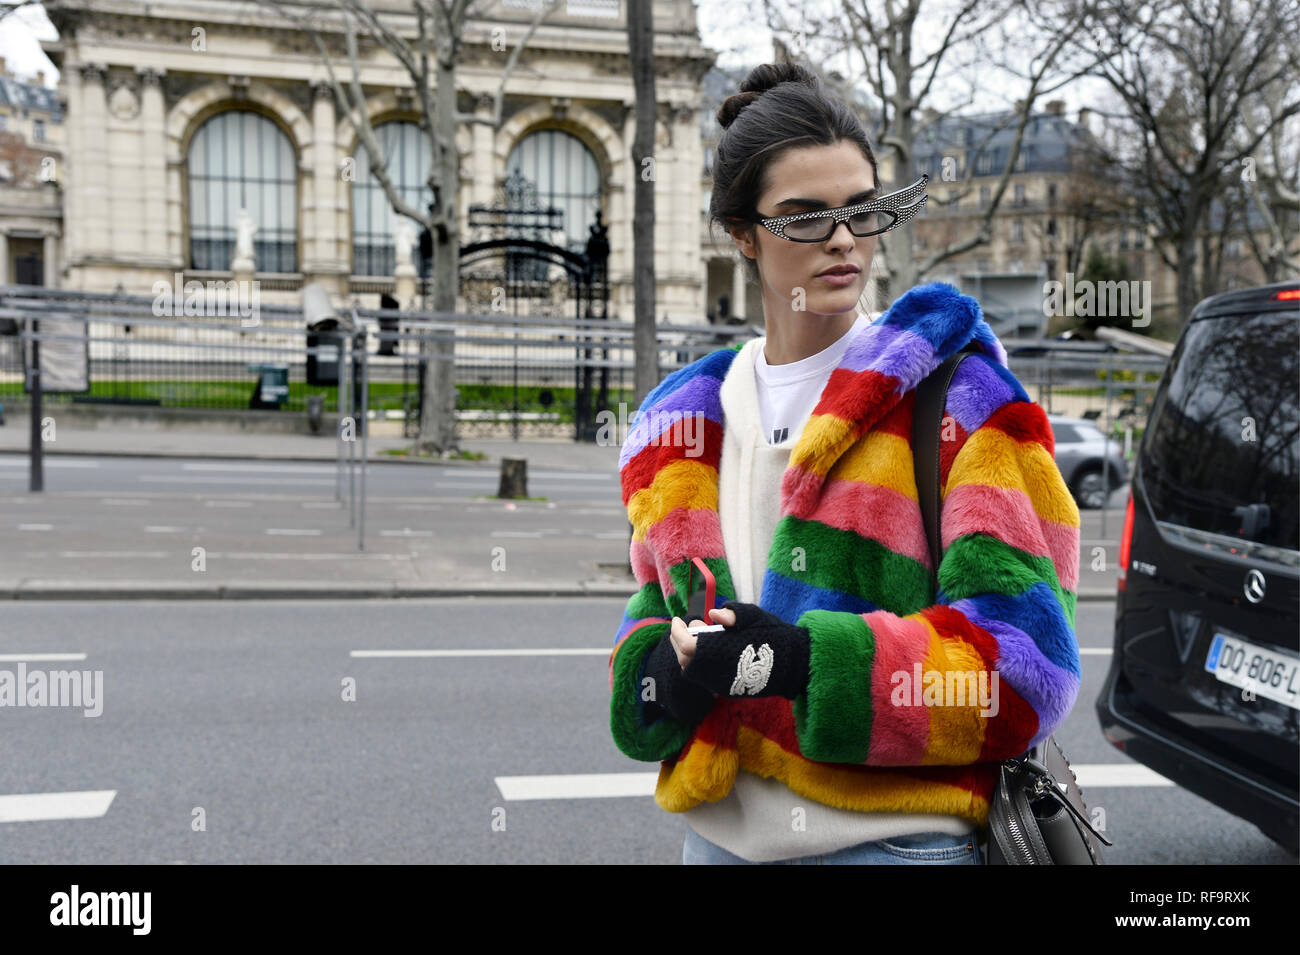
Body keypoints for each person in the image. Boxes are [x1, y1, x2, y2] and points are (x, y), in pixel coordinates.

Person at [607, 62, 1081, 865]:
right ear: (740, 234)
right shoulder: (682, 422)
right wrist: (668, 669)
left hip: (890, 848)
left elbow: (1027, 666)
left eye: (862, 210)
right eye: (803, 216)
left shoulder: (961, 398)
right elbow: (649, 623)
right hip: (715, 842)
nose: (841, 238)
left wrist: (798, 662)